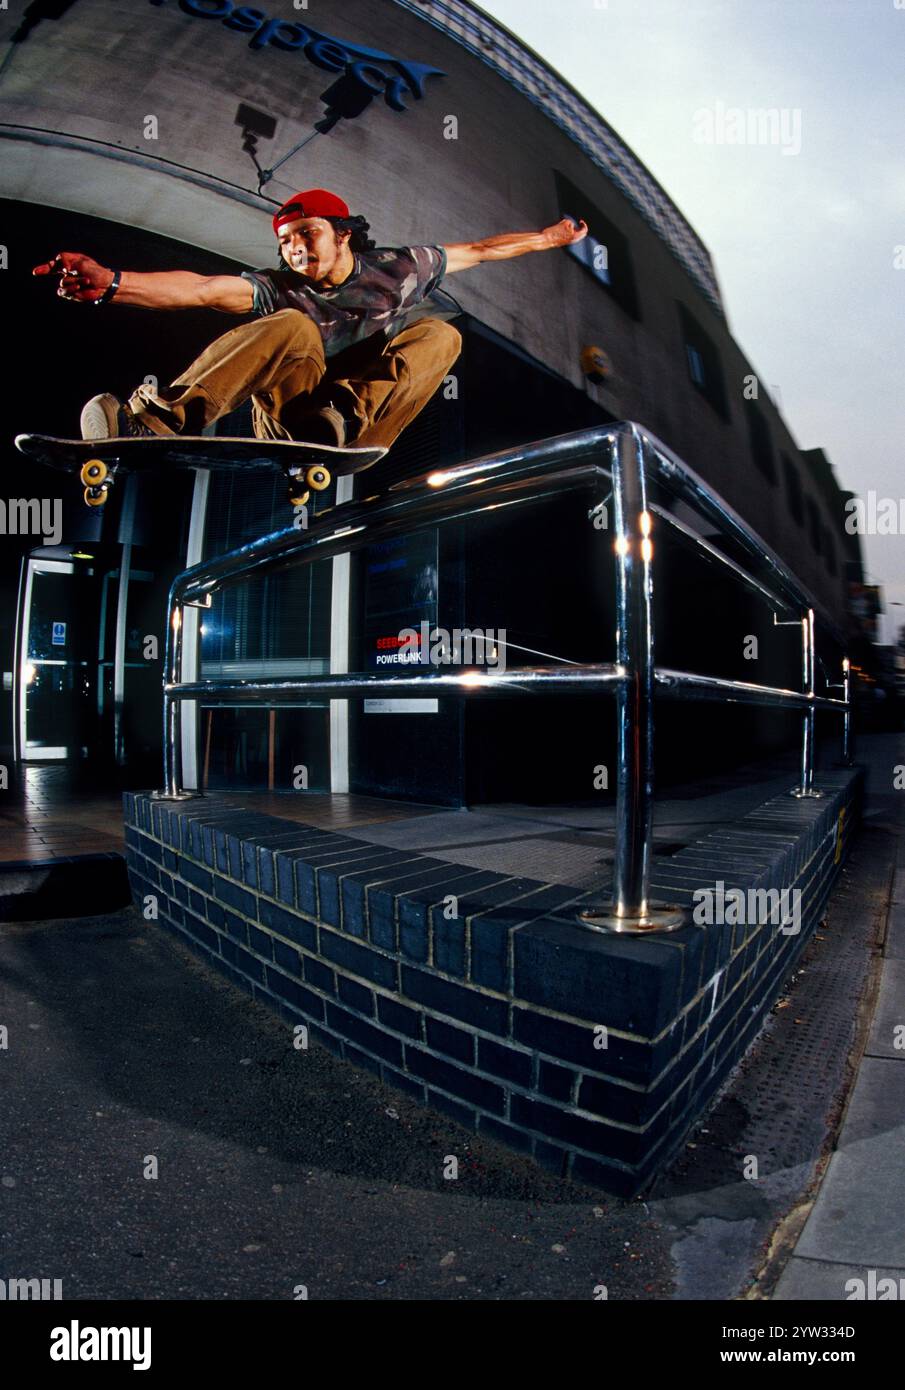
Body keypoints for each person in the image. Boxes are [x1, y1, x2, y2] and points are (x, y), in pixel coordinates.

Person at [33, 188, 588, 452]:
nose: (296, 250)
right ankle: (153, 427)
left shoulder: (402, 266)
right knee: (294, 328)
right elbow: (203, 290)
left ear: (343, 231)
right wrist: (112, 284)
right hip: (288, 417)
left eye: (308, 234)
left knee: (440, 332)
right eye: (286, 242)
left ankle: (340, 423)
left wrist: (546, 238)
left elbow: (482, 250)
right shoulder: (279, 289)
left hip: (361, 424)